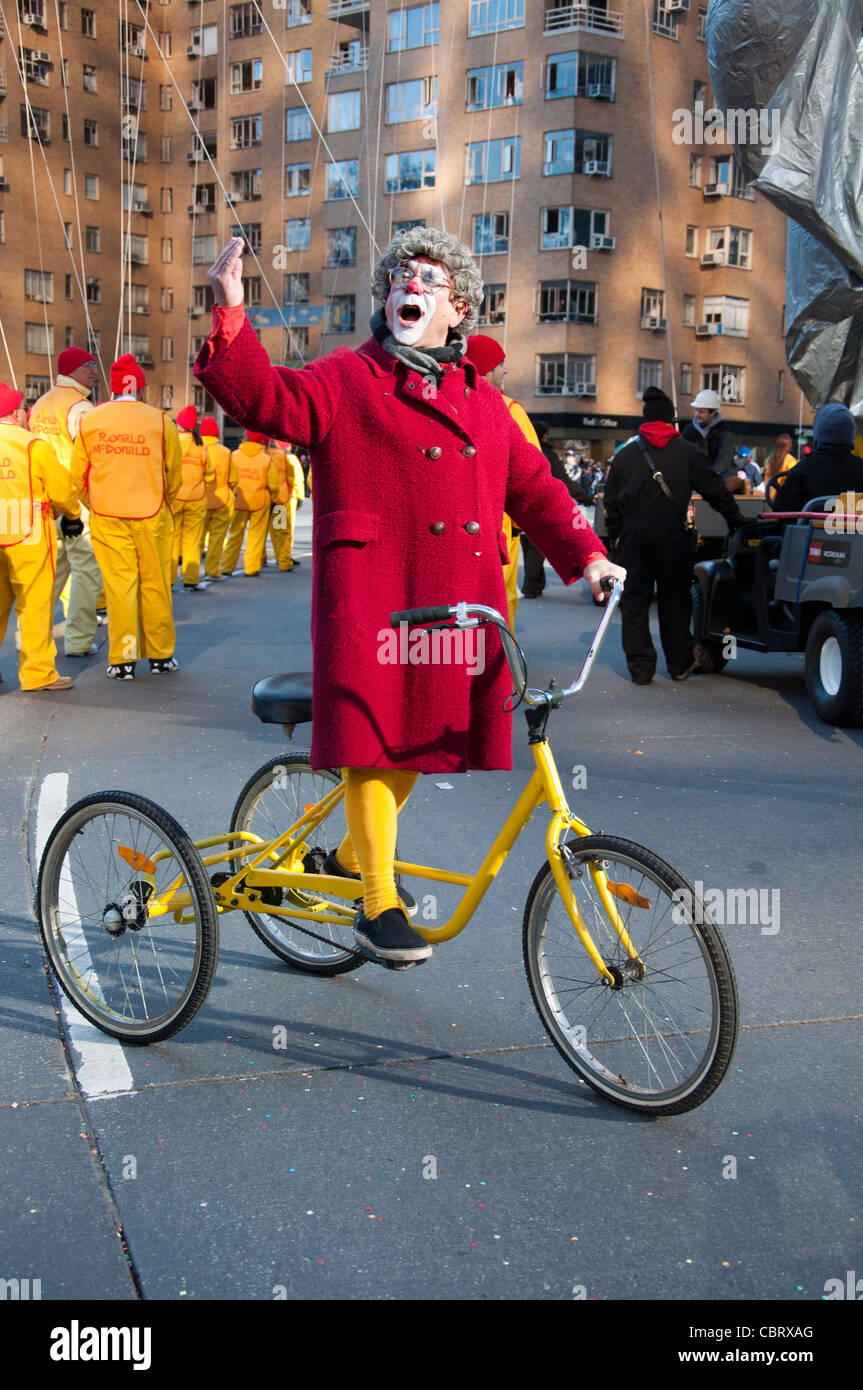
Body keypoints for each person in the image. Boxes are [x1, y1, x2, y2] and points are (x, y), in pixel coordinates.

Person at [195, 227, 624, 968]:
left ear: (458, 308)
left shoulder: (484, 404)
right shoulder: (348, 377)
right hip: (374, 595)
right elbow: (268, 401)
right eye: (399, 277)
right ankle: (375, 904)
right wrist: (233, 313)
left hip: (454, 600)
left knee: (427, 738)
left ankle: (344, 855)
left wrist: (587, 555)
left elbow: (532, 488)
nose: (409, 288)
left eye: (427, 279)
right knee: (372, 735)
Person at [604, 386, 744, 684]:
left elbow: (611, 502)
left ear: (645, 420)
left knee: (635, 602)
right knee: (675, 600)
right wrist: (736, 520)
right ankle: (679, 664)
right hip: (671, 531)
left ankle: (641, 669)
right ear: (670, 421)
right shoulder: (687, 452)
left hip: (632, 534)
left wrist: (618, 536)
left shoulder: (626, 455)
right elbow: (715, 489)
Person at [69, 354, 183, 680]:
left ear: (114, 387)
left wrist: (94, 504)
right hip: (152, 514)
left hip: (108, 513)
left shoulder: (90, 421)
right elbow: (173, 476)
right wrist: (163, 502)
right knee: (156, 585)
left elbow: (78, 477)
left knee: (120, 588)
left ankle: (124, 659)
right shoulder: (160, 421)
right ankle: (160, 656)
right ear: (141, 388)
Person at [0, 383, 81, 692]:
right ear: (18, 413)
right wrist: (72, 515)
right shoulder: (34, 445)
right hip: (28, 532)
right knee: (34, 604)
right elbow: (62, 490)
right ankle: (38, 674)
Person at [29, 347, 104, 657]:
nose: (94, 371)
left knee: (48, 574)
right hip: (76, 503)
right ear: (73, 370)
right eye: (88, 366)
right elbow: (92, 454)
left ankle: (33, 638)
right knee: (86, 572)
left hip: (46, 501)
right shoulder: (80, 407)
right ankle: (78, 640)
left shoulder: (40, 405)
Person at [462, 333, 535, 630]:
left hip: (455, 522)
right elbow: (531, 474)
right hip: (499, 524)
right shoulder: (508, 409)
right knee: (499, 602)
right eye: (501, 364)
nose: (505, 371)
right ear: (487, 369)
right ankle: (500, 670)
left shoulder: (447, 400)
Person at [520, 422, 591, 599]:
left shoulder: (523, 448)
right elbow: (563, 480)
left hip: (520, 508)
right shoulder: (548, 455)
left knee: (528, 547)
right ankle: (530, 586)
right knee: (537, 548)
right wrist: (586, 497)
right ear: (544, 435)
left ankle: (535, 585)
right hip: (541, 507)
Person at [771, 403, 863, 513]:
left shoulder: (802, 471)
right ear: (851, 434)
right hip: (855, 529)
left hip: (808, 530)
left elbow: (780, 511)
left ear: (819, 432)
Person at [221, 430, 279, 576]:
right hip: (260, 501)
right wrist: (274, 498)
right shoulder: (265, 459)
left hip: (238, 499)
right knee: (256, 536)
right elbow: (274, 484)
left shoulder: (234, 456)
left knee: (234, 534)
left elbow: (229, 477)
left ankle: (227, 567)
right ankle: (251, 568)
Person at [172, 405, 214, 591]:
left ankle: (169, 577)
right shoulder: (202, 446)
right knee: (192, 540)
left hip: (174, 497)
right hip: (196, 498)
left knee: (171, 539)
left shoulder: (172, 442)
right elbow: (210, 475)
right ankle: (191, 578)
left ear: (179, 424)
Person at [200, 416, 237, 581]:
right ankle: (212, 572)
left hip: (199, 500)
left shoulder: (197, 449)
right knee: (216, 539)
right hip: (222, 500)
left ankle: (190, 573)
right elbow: (234, 479)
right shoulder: (226, 452)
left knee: (195, 540)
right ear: (217, 434)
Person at [681, 388, 739, 487]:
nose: (697, 415)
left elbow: (724, 458)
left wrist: (711, 477)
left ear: (713, 413)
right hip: (697, 481)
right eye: (696, 411)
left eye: (701, 412)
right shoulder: (689, 430)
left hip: (722, 481)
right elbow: (683, 455)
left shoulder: (725, 432)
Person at [267, 439, 304, 572]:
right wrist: (299, 495)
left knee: (259, 532)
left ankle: (258, 559)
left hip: (263, 500)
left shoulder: (263, 455)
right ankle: (283, 560)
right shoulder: (288, 458)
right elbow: (295, 478)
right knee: (281, 531)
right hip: (280, 500)